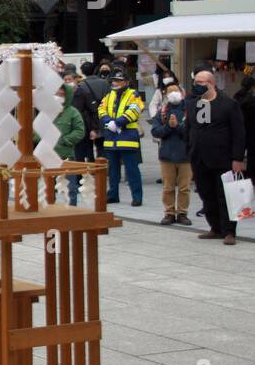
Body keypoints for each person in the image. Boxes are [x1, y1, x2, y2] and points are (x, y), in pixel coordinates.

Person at [187, 70, 246, 245]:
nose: (196, 85)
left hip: (223, 158)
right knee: (207, 195)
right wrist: (189, 150)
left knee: (225, 196)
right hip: (199, 158)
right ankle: (215, 227)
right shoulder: (193, 104)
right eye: (195, 82)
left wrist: (237, 158)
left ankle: (229, 231)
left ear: (211, 83)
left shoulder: (228, 104)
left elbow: (239, 133)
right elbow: (189, 129)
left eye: (200, 82)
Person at [98, 69, 143, 206]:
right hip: (111, 138)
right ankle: (113, 195)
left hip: (127, 137)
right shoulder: (108, 95)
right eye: (113, 80)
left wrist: (117, 122)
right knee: (112, 170)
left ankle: (137, 197)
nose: (115, 83)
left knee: (131, 170)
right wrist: (108, 122)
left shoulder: (134, 94)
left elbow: (134, 111)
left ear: (126, 82)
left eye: (118, 80)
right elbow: (101, 109)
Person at [151, 82, 191, 225]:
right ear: (166, 95)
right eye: (170, 91)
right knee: (168, 187)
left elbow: (193, 132)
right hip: (167, 155)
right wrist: (169, 126)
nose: (173, 93)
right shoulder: (162, 111)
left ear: (182, 92)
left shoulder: (189, 110)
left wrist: (178, 127)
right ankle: (169, 212)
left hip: (186, 156)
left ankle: (182, 213)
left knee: (184, 188)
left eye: (176, 90)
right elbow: (155, 131)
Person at [52, 69, 85, 204]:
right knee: (48, 186)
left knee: (71, 186)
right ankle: (49, 210)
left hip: (67, 154)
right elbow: (37, 129)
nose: (60, 94)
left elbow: (79, 130)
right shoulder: (48, 110)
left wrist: (66, 140)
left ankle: (72, 209)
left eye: (62, 93)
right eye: (57, 92)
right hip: (49, 155)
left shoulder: (73, 112)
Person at [73, 61, 110, 163]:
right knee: (102, 144)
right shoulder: (105, 83)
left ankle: (91, 164)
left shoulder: (82, 85)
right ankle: (102, 167)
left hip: (88, 118)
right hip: (103, 115)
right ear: (95, 70)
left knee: (88, 144)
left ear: (82, 72)